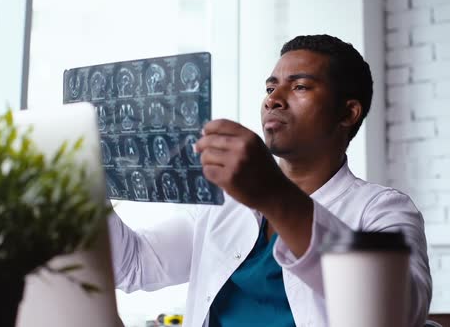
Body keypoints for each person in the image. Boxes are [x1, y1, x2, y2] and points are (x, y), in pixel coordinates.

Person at [109, 34, 432, 327]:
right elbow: (133, 265)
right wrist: (86, 177)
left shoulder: (382, 209)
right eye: (269, 88)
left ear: (348, 113)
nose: (273, 99)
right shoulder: (223, 205)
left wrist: (274, 193)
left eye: (300, 86)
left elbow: (397, 317)